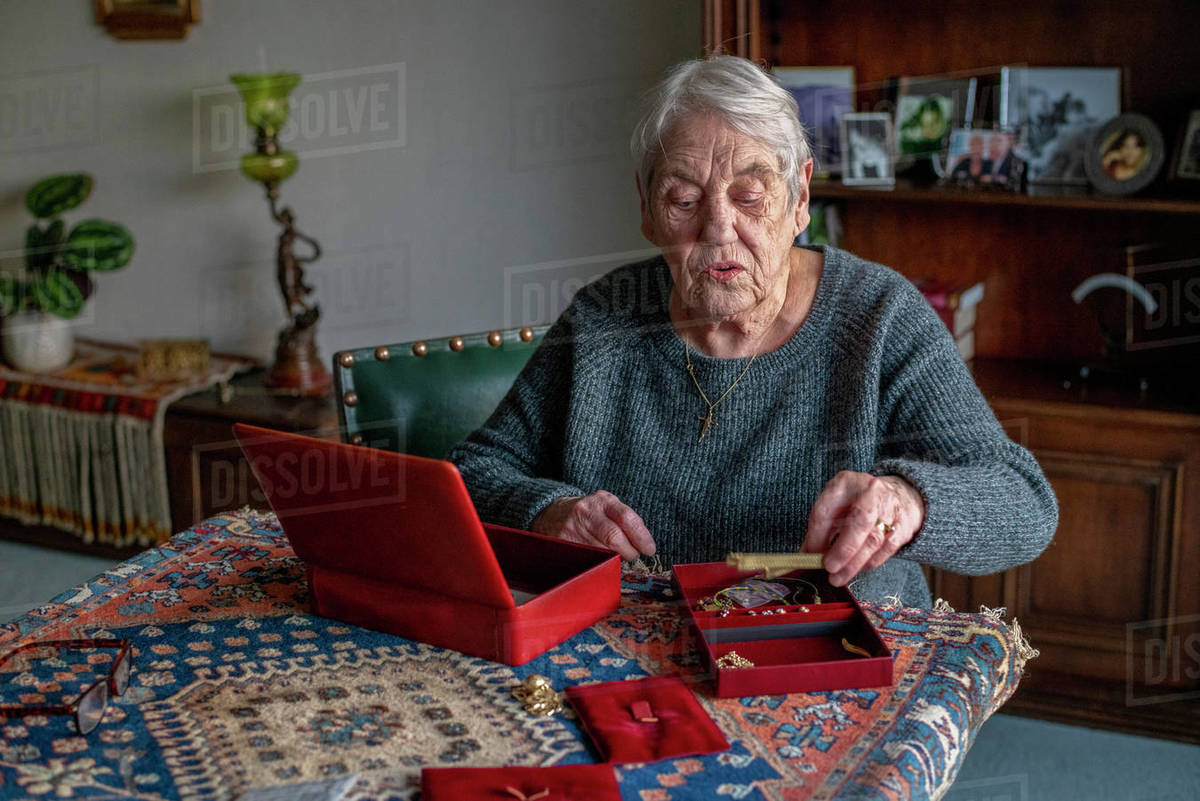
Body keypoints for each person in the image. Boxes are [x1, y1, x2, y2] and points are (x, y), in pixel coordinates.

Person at [450, 55, 1057, 608]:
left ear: (800, 198)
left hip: (833, 650)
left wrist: (909, 503)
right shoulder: (604, 318)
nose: (718, 228)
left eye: (749, 196)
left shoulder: (880, 319)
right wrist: (546, 511)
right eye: (682, 200)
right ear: (645, 208)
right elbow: (473, 473)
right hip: (632, 651)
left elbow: (1024, 504)